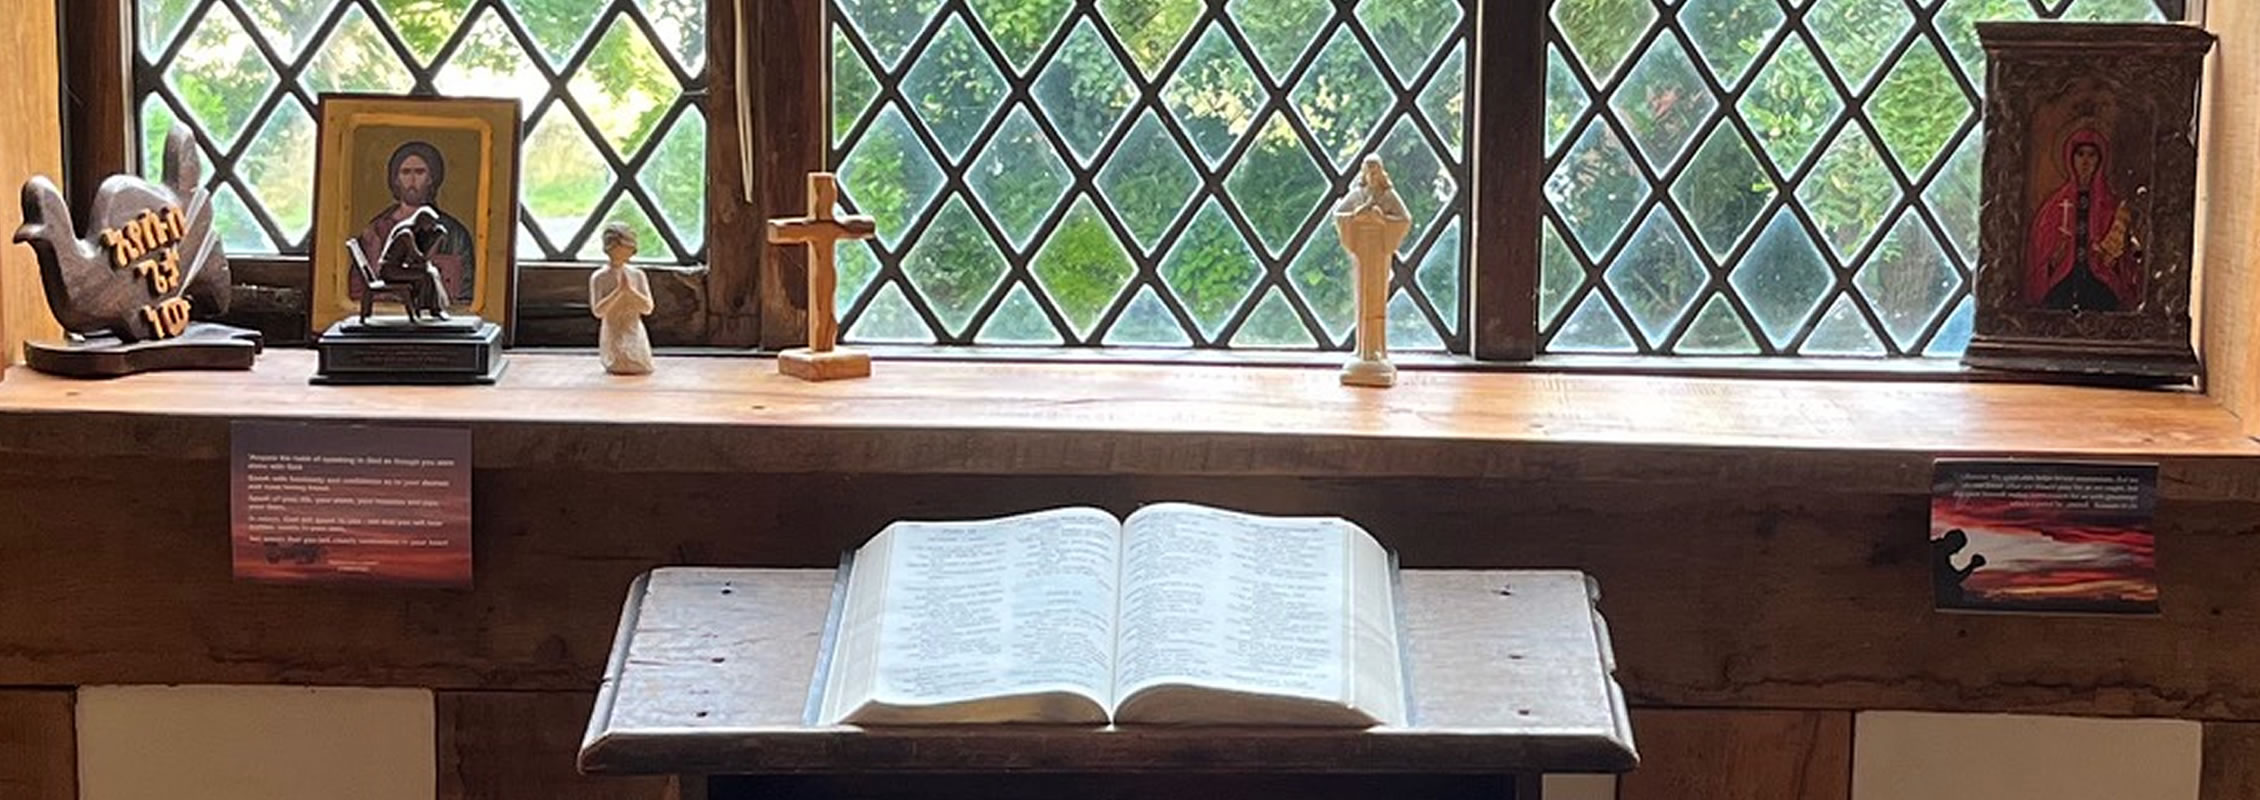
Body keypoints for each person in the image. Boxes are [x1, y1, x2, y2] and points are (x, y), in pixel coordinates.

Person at [2023, 128, 2140, 312]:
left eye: (2092, 155)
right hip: (2063, 284)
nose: (2085, 162)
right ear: (2070, 158)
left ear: (2100, 161)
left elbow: (2128, 257)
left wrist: (2112, 257)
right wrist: (2054, 259)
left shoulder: (2112, 207)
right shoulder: (2054, 207)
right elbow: (2038, 255)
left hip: (2101, 285)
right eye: (2080, 154)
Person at [356, 141, 477, 306]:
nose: (412, 180)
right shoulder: (376, 230)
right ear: (396, 179)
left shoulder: (456, 234)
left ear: (431, 178)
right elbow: (358, 288)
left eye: (420, 172)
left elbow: (465, 290)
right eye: (405, 172)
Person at [590, 223, 655, 375]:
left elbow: (647, 308)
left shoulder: (637, 275)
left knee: (638, 363)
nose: (623, 253)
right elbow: (598, 311)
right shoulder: (599, 277)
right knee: (619, 361)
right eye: (618, 248)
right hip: (613, 331)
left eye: (626, 248)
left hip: (633, 329)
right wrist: (618, 292)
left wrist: (631, 292)